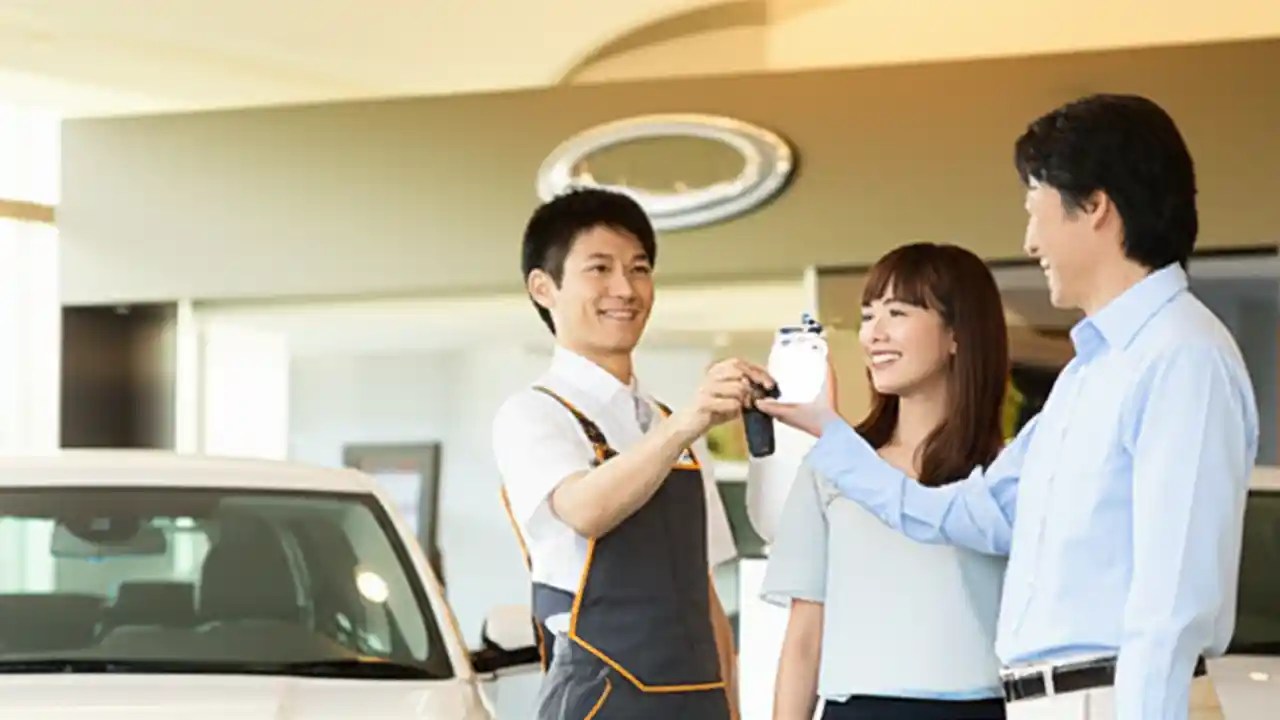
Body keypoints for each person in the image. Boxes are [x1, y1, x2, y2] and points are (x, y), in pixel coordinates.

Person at [760, 94, 1259, 719]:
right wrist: (832, 439)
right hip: (1051, 702)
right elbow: (971, 514)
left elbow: (1172, 606)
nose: (1029, 242)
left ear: (1096, 207)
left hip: (1113, 701)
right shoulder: (1089, 374)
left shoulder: (1182, 357)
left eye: (1036, 211)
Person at [493, 187, 769, 719]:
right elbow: (585, 510)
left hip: (696, 701)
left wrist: (730, 709)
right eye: (600, 269)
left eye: (639, 269)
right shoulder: (533, 413)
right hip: (598, 703)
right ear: (543, 288)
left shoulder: (670, 421)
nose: (625, 288)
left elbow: (704, 591)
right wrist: (691, 423)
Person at [762, 242, 1011, 720]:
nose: (873, 334)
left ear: (957, 333)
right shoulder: (831, 466)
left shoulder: (1005, 474)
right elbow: (804, 640)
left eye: (897, 313)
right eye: (868, 315)